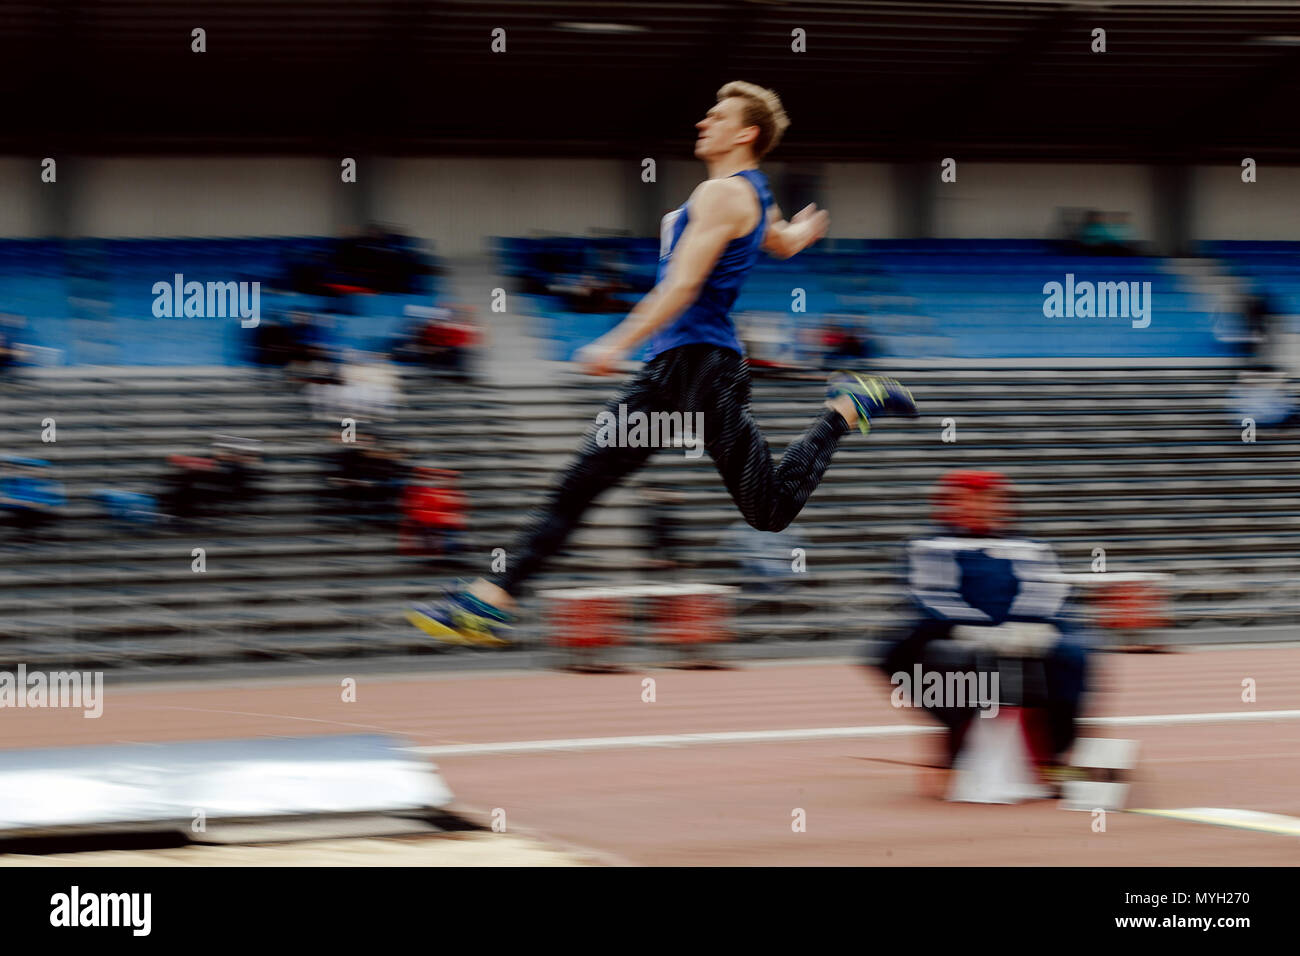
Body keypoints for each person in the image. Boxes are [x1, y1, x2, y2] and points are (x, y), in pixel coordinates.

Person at [407, 80, 917, 646]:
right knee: (579, 486)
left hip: (703, 369)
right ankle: (488, 602)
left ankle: (848, 407)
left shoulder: (723, 195)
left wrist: (615, 342)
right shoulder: (748, 196)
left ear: (745, 132)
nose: (704, 123)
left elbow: (684, 283)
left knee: (767, 510)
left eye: (716, 116)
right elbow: (779, 241)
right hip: (668, 374)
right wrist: (801, 232)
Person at [872, 470, 1090, 794]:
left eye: (988, 500)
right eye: (966, 499)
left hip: (1024, 634)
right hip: (953, 634)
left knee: (1075, 653)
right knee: (907, 656)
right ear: (948, 505)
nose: (977, 507)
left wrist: (1025, 627)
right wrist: (979, 629)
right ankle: (958, 738)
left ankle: (1054, 752)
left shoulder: (1027, 547)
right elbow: (932, 596)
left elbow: (1048, 591)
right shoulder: (931, 545)